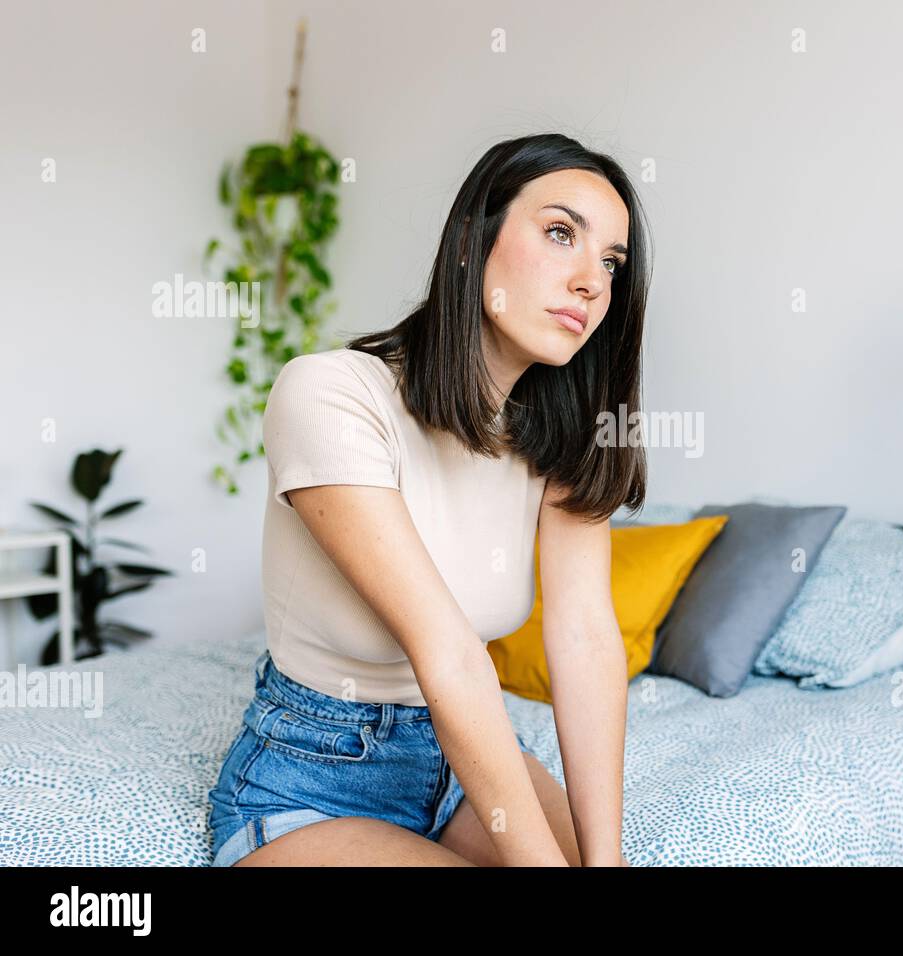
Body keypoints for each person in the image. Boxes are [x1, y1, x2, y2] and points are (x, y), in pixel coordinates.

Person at [207, 132, 648, 866]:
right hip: (314, 781)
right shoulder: (331, 393)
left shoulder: (563, 432)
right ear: (473, 241)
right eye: (561, 233)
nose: (591, 281)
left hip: (462, 766)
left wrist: (607, 865)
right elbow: (447, 652)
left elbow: (585, 639)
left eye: (610, 262)